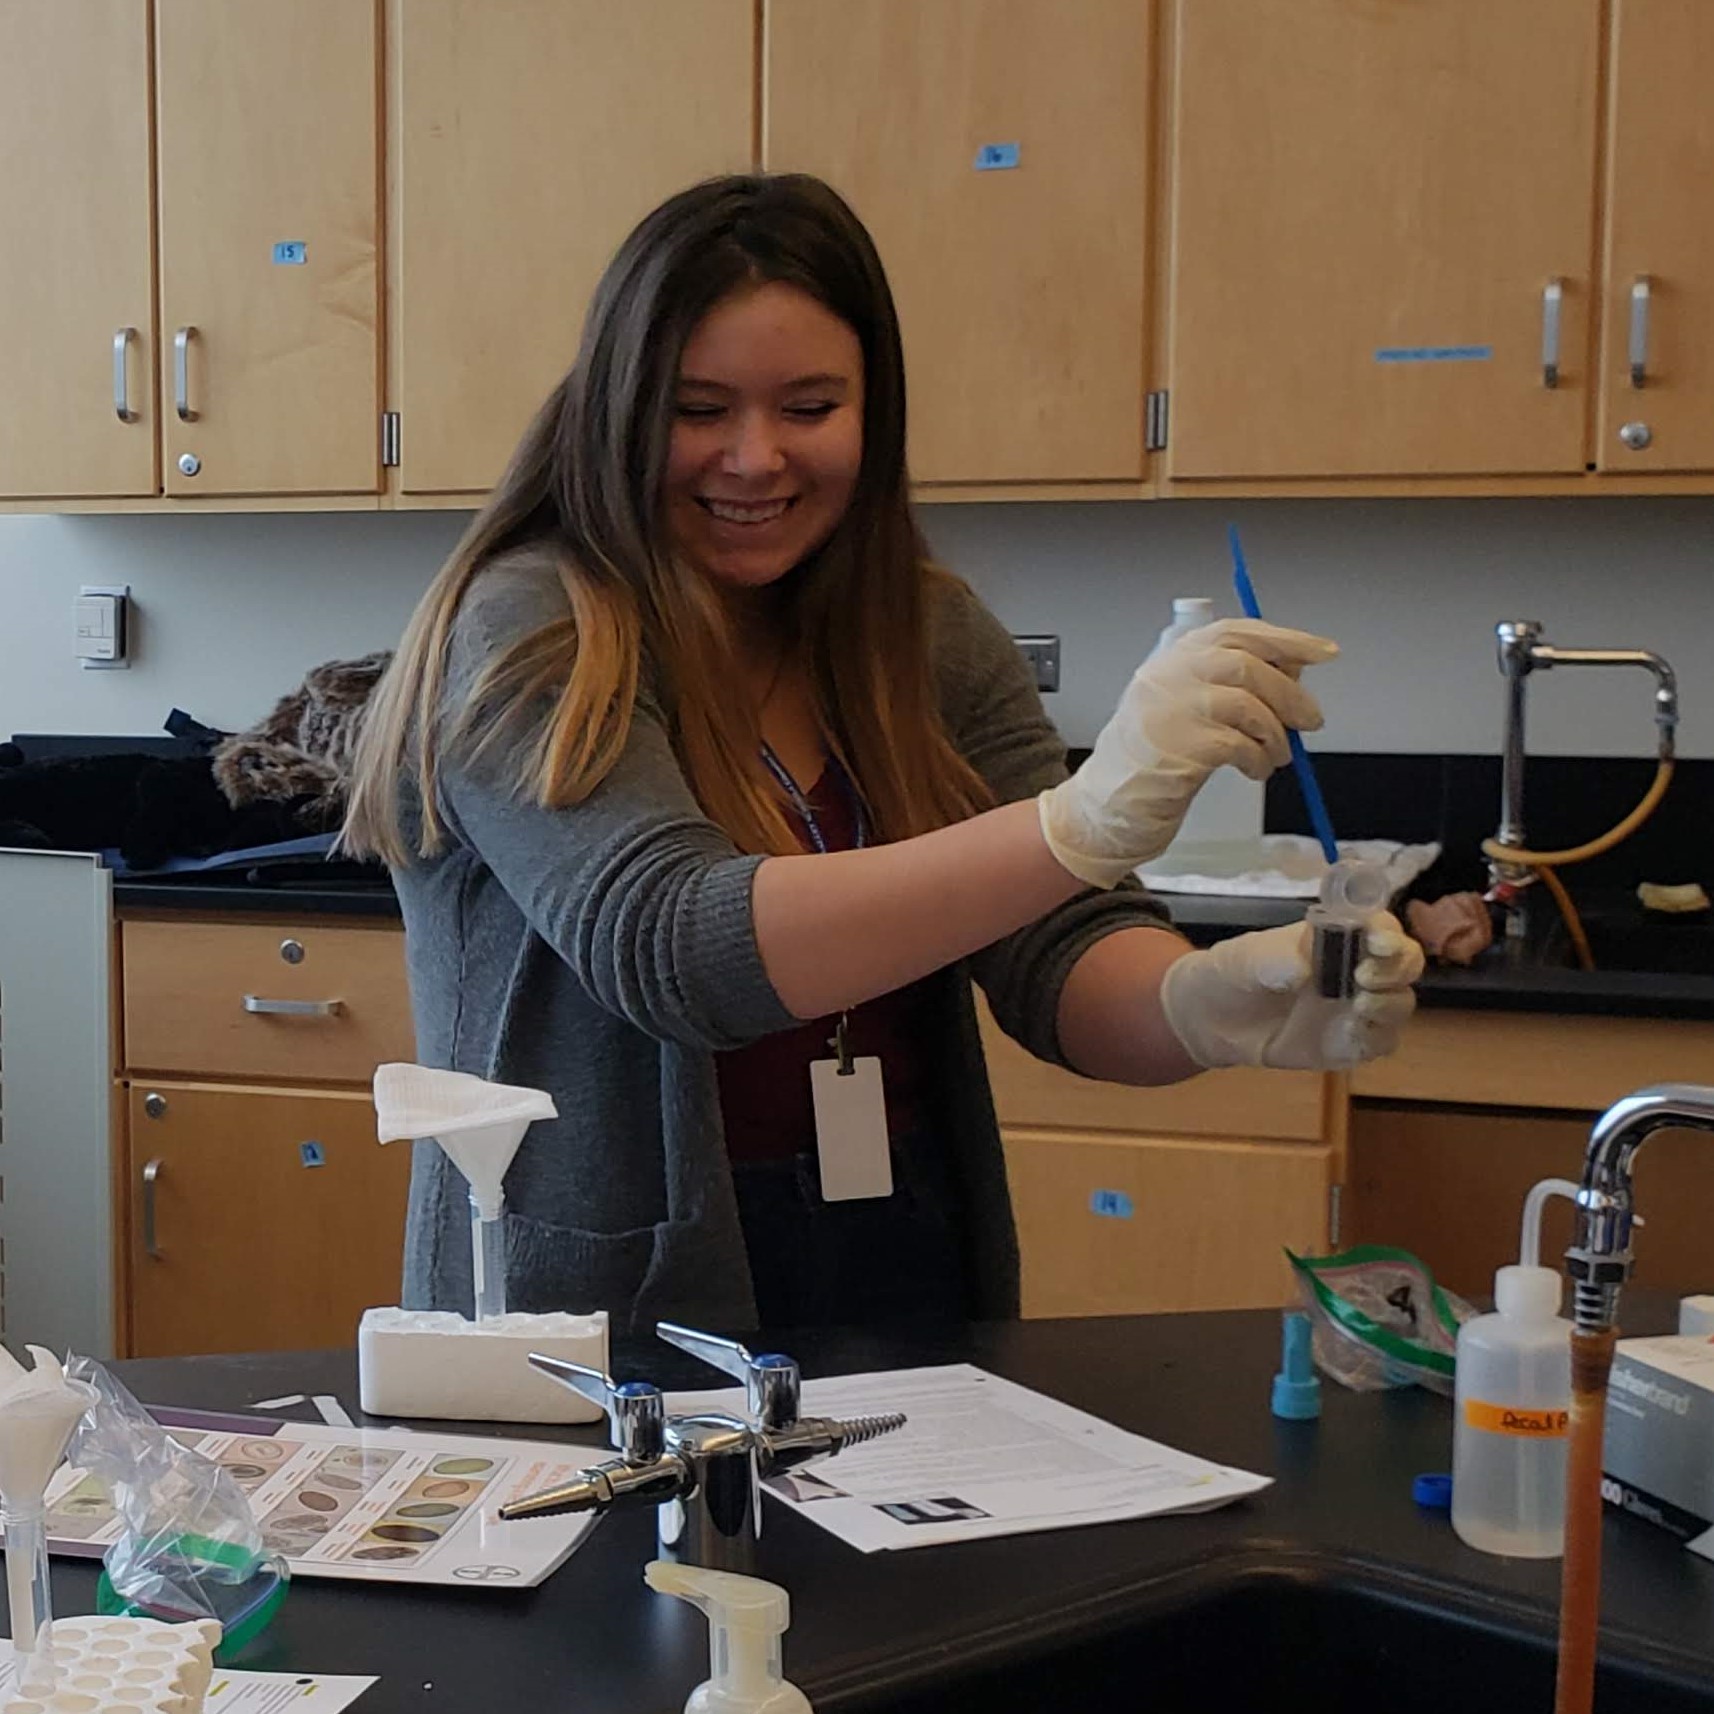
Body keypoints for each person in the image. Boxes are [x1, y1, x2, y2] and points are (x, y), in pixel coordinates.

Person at [343, 173, 1422, 1335]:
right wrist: (1076, 822)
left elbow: (1054, 946)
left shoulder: (926, 634)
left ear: (875, 411)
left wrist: (1198, 1004)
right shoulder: (533, 632)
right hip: (601, 1304)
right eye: (698, 409)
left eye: (808, 407)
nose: (754, 458)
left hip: (902, 1242)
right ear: (618, 407)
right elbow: (670, 947)